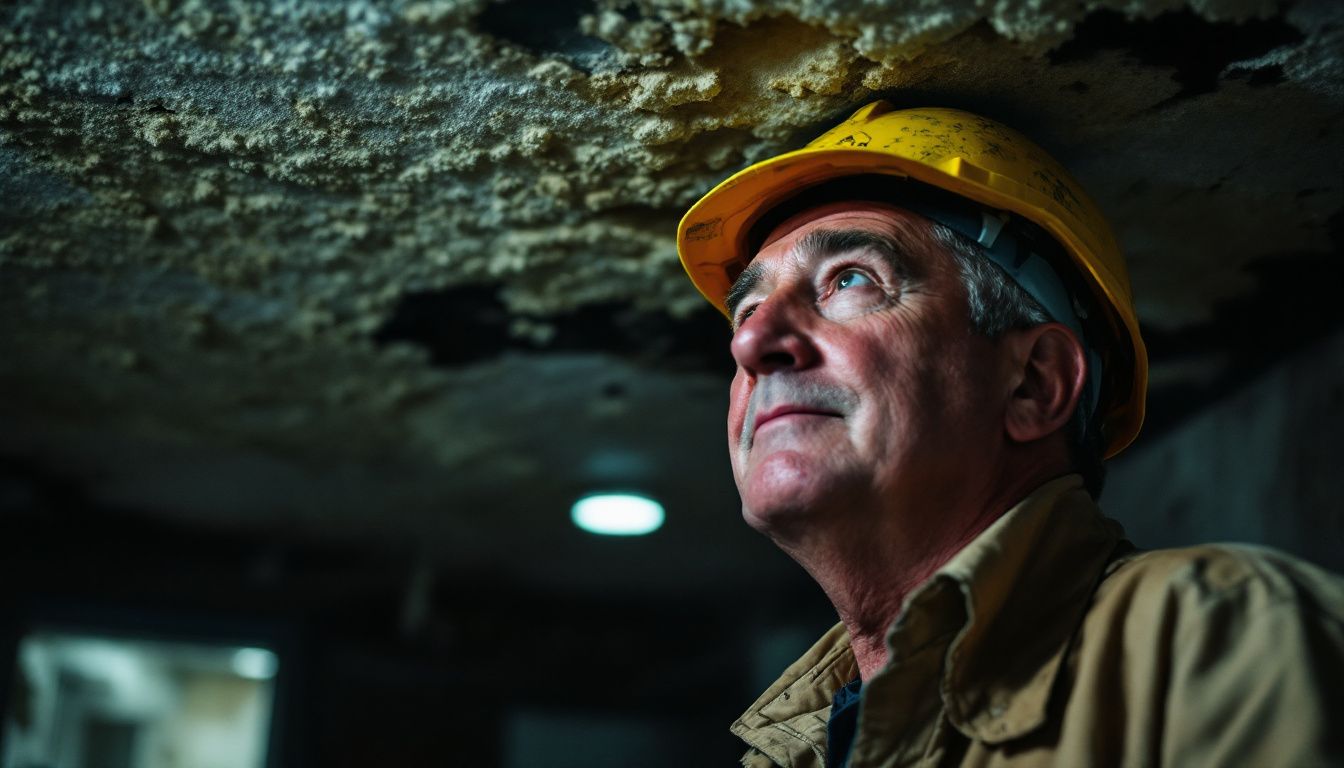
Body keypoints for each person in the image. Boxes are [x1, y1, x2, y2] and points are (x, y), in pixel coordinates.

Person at [676, 101, 1344, 767]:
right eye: (750, 311)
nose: (754, 343)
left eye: (850, 279)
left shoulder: (1221, 636)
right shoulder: (789, 752)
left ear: (1033, 383)